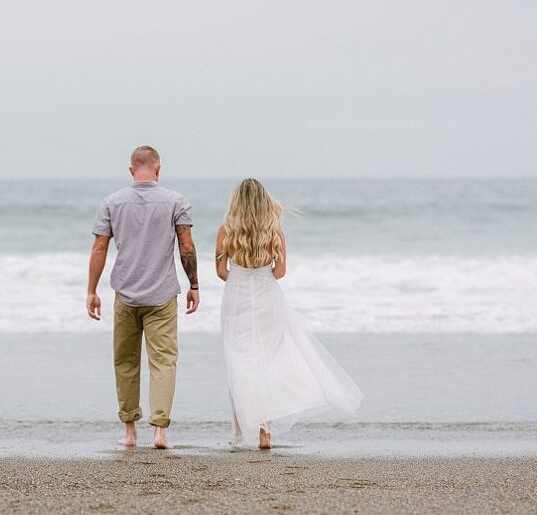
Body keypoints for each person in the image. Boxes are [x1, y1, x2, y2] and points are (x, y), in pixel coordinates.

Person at [215, 178, 363, 449]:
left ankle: (238, 433)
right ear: (264, 201)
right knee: (268, 360)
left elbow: (221, 271)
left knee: (238, 362)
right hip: (267, 296)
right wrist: (261, 277)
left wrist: (241, 278)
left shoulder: (226, 230)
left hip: (236, 298)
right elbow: (280, 272)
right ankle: (265, 429)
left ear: (236, 202)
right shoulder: (274, 232)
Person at [87, 145, 199, 449]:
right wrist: (194, 285)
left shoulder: (112, 202)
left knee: (125, 361)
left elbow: (99, 248)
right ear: (158, 169)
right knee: (163, 362)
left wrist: (92, 290)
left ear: (131, 170)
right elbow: (186, 246)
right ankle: (160, 432)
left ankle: (130, 431)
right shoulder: (176, 201)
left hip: (126, 293)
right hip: (162, 294)